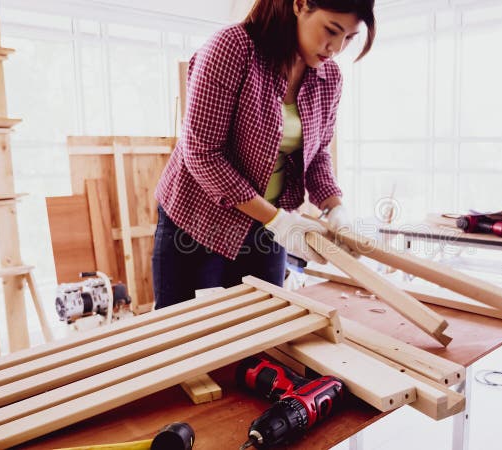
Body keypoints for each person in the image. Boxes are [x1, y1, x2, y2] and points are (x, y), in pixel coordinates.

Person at [152, 0, 376, 309]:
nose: (336, 48)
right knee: (185, 337)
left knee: (263, 328)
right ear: (300, 5)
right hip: (199, 222)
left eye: (349, 38)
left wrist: (335, 207)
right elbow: (203, 154)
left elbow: (317, 154)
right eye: (331, 30)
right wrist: (281, 223)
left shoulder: (329, 77)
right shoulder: (232, 48)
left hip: (267, 228)